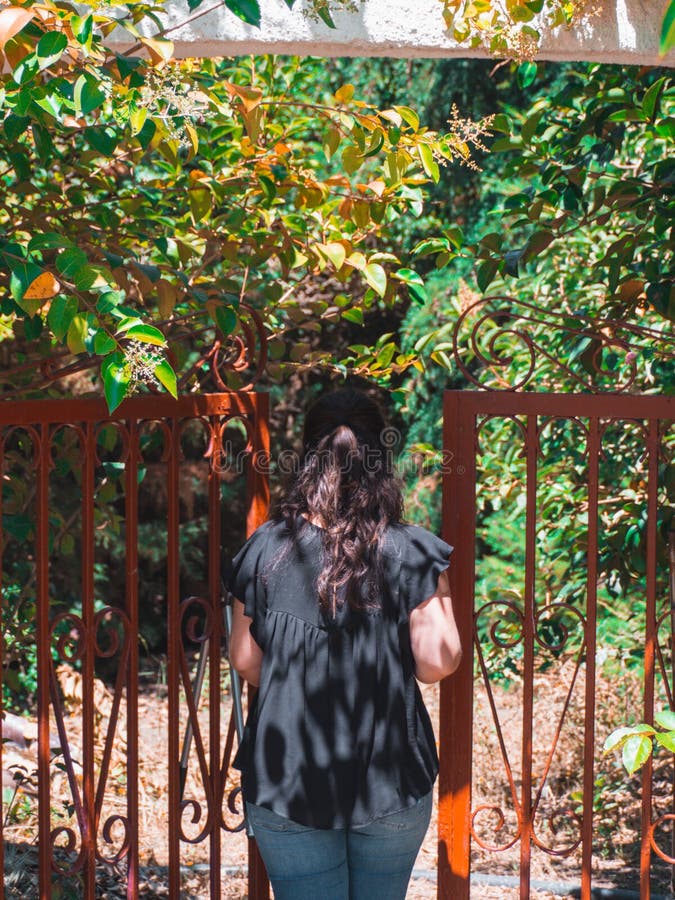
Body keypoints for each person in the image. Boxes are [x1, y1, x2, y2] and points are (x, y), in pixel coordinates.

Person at [226, 387, 461, 900]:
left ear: (307, 456)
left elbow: (246, 660)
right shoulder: (411, 550)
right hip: (390, 780)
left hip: (287, 780)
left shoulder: (267, 548)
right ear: (382, 458)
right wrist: (435, 587)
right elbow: (437, 662)